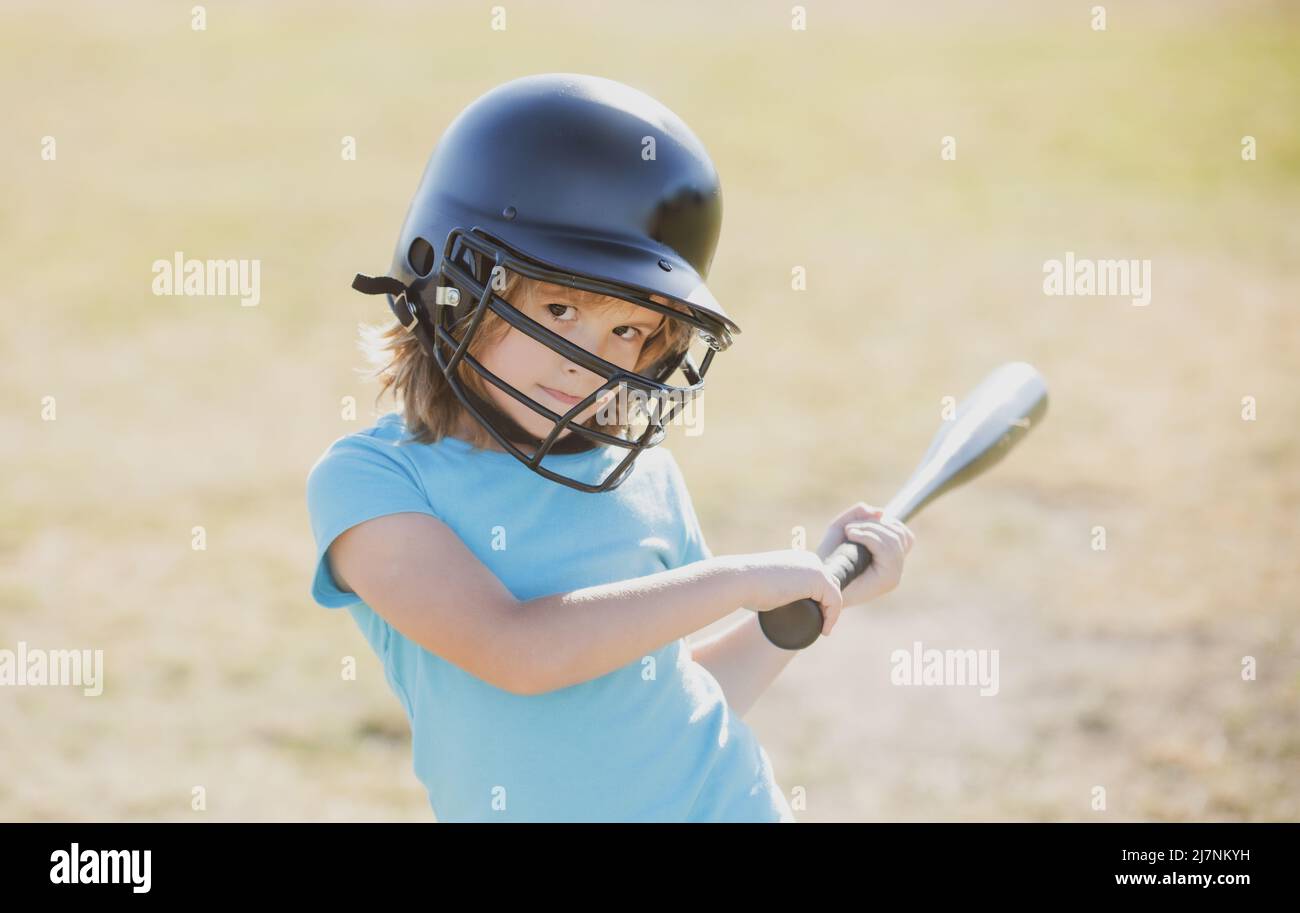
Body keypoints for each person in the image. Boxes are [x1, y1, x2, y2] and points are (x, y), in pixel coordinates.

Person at [306, 73, 914, 822]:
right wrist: (742, 580)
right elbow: (515, 650)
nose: (587, 358)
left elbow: (663, 700)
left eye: (627, 330)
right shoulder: (374, 481)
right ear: (453, 286)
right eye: (559, 308)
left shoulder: (641, 474)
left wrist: (813, 596)